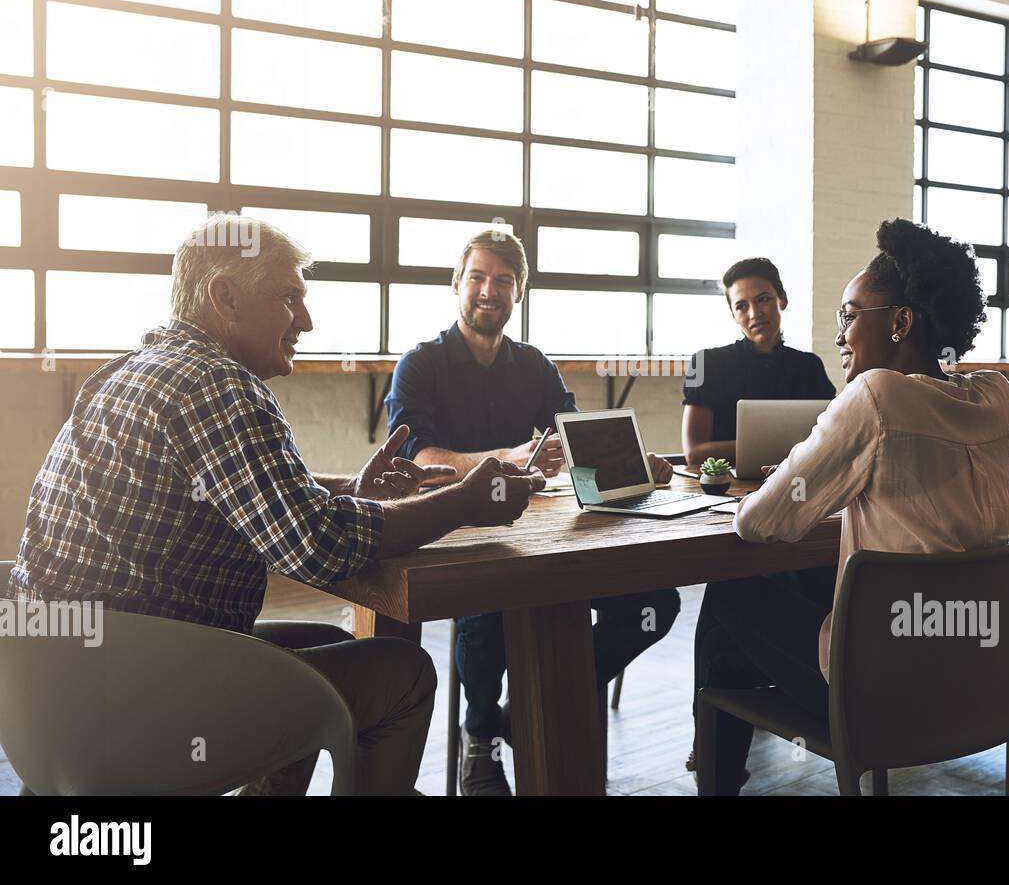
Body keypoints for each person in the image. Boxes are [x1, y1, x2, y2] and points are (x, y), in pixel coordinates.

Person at [9, 214, 544, 795]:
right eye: (290, 298)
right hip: (141, 704)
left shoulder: (128, 370)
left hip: (52, 702)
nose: (306, 320)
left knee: (338, 650)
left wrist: (346, 490)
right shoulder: (219, 384)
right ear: (225, 297)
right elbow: (316, 548)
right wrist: (462, 502)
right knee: (402, 673)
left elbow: (228, 487)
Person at [691, 219, 1009, 793]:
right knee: (797, 594)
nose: (839, 335)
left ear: (902, 321)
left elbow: (758, 520)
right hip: (980, 673)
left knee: (729, 598)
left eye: (849, 315)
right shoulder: (994, 394)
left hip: (882, 691)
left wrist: (796, 481)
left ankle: (715, 773)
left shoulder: (874, 394)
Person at [385, 229, 681, 795]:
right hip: (459, 533)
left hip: (551, 533)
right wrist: (506, 458)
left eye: (503, 281)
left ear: (519, 292)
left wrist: (632, 463)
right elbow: (420, 460)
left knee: (655, 601)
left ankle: (536, 702)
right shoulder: (420, 365)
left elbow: (576, 441)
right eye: (478, 277)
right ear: (456, 284)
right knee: (489, 604)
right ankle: (481, 740)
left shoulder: (535, 366)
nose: (488, 291)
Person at [681, 257, 835, 466]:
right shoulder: (706, 363)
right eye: (742, 306)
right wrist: (789, 448)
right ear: (733, 315)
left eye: (763, 299)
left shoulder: (810, 366)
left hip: (799, 482)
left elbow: (831, 439)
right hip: (725, 485)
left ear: (783, 300)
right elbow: (694, 453)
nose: (754, 314)